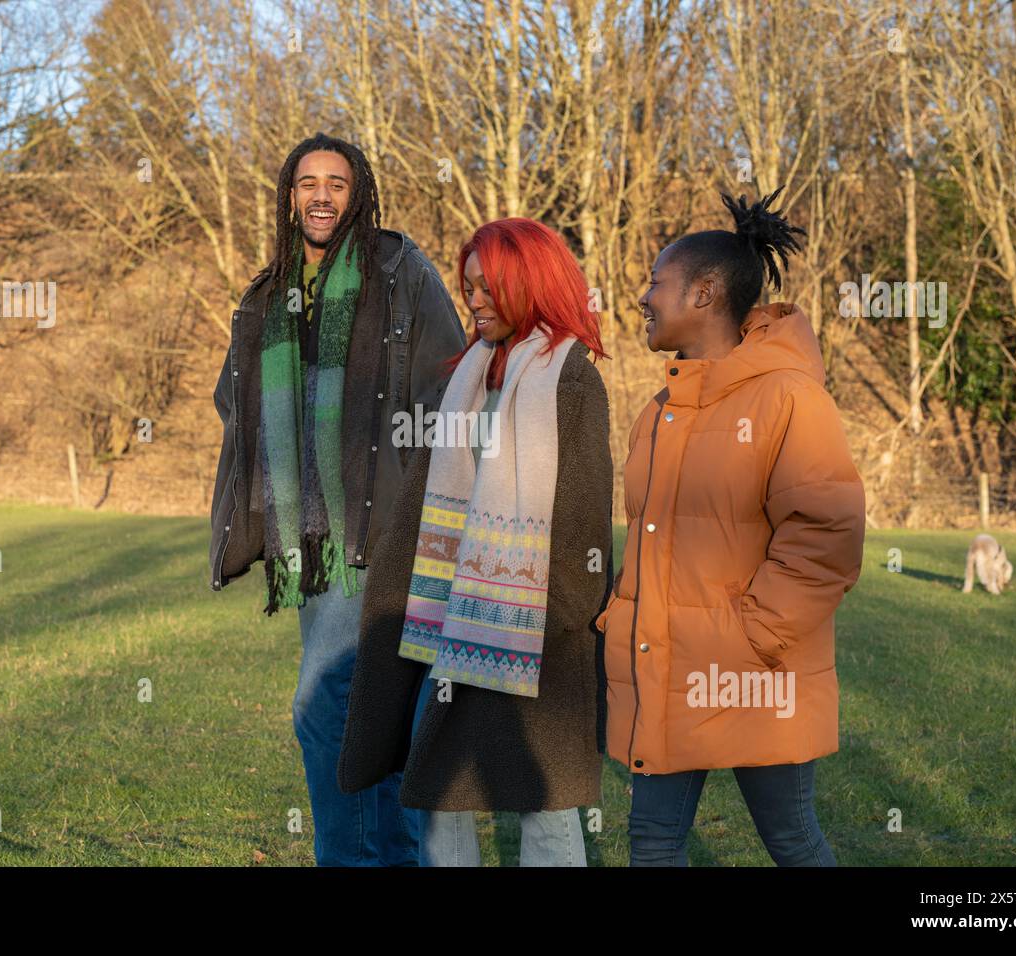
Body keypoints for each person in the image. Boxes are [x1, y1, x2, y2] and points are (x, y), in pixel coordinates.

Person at [208, 133, 466, 866]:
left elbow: (446, 390)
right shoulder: (269, 290)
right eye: (307, 182)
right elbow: (234, 397)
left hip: (384, 534)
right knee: (372, 715)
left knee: (322, 711)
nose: (321, 194)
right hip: (308, 542)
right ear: (289, 196)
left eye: (338, 182)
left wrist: (414, 500)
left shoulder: (400, 271)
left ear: (359, 194)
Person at [599, 189, 866, 866]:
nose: (642, 297)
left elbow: (825, 533)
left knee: (791, 840)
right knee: (653, 842)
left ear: (706, 292)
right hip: (665, 667)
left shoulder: (788, 394)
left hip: (756, 671)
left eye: (656, 282)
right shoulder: (660, 408)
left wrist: (753, 636)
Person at [337, 217, 613, 867]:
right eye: (469, 290)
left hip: (535, 632)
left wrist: (557, 613)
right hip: (445, 621)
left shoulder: (570, 378)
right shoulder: (468, 377)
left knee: (545, 809)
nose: (476, 301)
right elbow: (427, 498)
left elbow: (583, 519)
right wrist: (400, 591)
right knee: (440, 796)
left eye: (490, 288)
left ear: (530, 284)